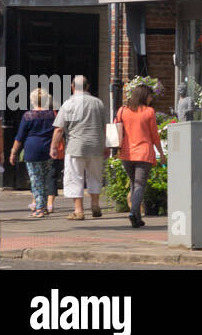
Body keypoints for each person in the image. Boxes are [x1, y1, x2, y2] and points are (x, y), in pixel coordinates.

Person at [51, 76, 109, 221]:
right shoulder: (98, 103)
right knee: (95, 176)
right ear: (87, 86)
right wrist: (106, 145)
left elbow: (59, 129)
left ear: (72, 86)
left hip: (75, 147)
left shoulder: (68, 104)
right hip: (96, 146)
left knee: (74, 177)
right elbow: (105, 126)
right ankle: (95, 205)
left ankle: (78, 211)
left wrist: (53, 147)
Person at [116, 83, 164, 228]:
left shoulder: (122, 111)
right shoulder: (149, 112)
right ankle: (133, 212)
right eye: (150, 96)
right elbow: (154, 135)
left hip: (126, 153)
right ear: (144, 96)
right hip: (143, 153)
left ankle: (137, 218)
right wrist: (161, 152)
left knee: (133, 183)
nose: (151, 99)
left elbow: (116, 129)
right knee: (140, 185)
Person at [10, 88, 57, 217]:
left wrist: (13, 152)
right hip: (48, 150)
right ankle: (45, 206)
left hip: (32, 150)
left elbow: (19, 137)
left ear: (32, 101)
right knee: (44, 179)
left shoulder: (28, 116)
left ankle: (40, 208)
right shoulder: (52, 115)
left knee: (36, 180)